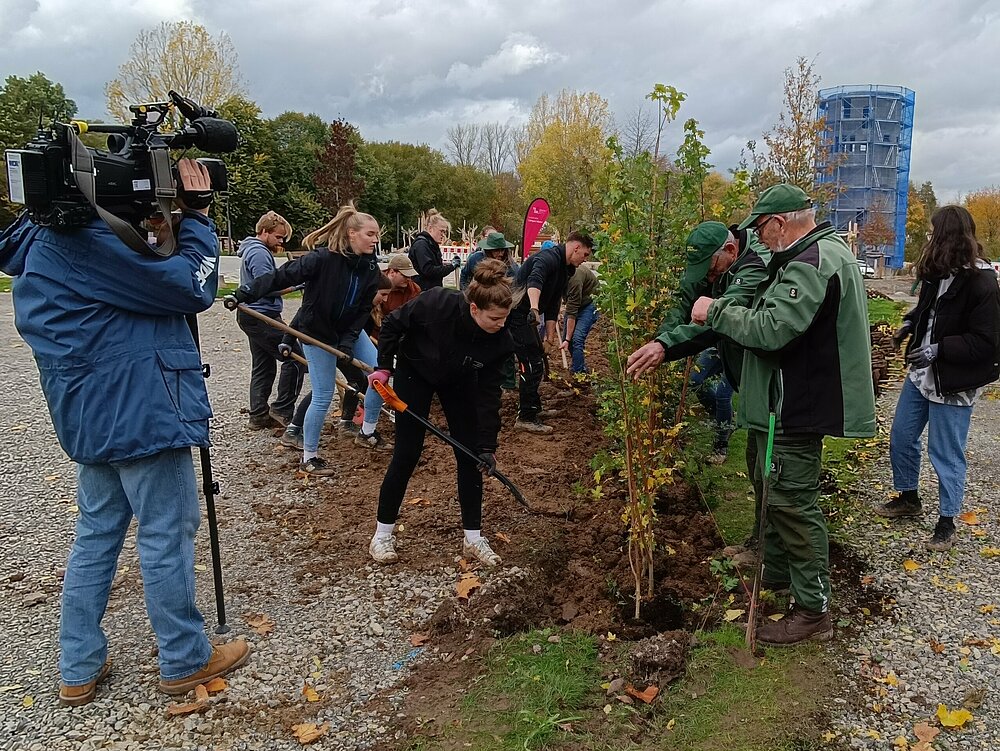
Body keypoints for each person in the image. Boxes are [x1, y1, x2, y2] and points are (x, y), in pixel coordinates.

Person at [0, 159, 250, 706]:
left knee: (95, 534)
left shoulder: (41, 240)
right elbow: (190, 286)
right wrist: (198, 217)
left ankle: (78, 665)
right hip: (139, 411)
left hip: (90, 416)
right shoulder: (85, 244)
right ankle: (185, 658)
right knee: (165, 532)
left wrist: (153, 230)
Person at [690, 183, 876, 646]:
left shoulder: (811, 263)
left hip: (796, 407)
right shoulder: (811, 255)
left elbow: (772, 330)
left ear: (779, 223)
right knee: (770, 486)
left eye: (761, 229)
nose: (758, 239)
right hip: (781, 403)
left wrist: (715, 312)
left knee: (793, 503)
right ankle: (774, 571)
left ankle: (813, 611)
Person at [367, 259, 515, 566]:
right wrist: (384, 367)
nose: (501, 324)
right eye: (495, 318)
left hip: (458, 380)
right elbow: (393, 324)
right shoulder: (436, 303)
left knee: (471, 457)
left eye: (505, 318)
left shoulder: (500, 340)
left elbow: (489, 396)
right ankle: (382, 534)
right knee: (407, 453)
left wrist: (488, 447)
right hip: (415, 372)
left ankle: (472, 539)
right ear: (475, 308)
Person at [876, 205, 1000, 550]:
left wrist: (938, 349)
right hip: (921, 375)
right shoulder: (937, 272)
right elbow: (926, 311)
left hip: (954, 381)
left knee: (945, 452)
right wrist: (908, 324)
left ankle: (946, 522)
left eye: (932, 233)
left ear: (948, 236)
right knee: (901, 436)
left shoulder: (982, 282)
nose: (928, 238)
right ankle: (908, 497)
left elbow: (986, 342)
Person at [231, 204, 381, 476]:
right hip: (317, 333)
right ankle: (309, 457)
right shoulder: (321, 259)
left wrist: (347, 342)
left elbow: (362, 310)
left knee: (379, 375)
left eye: (376, 235)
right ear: (351, 234)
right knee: (323, 395)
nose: (375, 240)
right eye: (370, 234)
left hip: (349, 330)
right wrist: (244, 293)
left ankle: (367, 431)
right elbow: (280, 276)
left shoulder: (370, 268)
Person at [627, 222, 769, 463]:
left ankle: (724, 441)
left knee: (764, 454)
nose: (708, 276)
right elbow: (684, 299)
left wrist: (664, 347)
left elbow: (718, 321)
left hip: (753, 359)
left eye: (711, 269)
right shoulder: (713, 262)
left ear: (731, 250)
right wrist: (660, 339)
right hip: (725, 347)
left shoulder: (755, 266)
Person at [509, 231, 594, 433]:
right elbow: (535, 281)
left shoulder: (566, 270)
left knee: (536, 361)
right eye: (585, 254)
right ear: (576, 248)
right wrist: (534, 309)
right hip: (517, 315)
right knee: (531, 364)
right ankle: (526, 417)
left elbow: (554, 303)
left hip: (528, 316)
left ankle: (533, 408)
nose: (585, 260)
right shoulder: (547, 258)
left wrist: (550, 336)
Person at [236, 211, 304, 429]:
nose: (281, 242)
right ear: (264, 232)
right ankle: (282, 411)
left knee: (263, 366)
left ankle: (258, 415)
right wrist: (297, 285)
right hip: (261, 315)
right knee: (295, 358)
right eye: (279, 237)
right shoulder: (258, 253)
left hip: (252, 314)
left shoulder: (254, 250)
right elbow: (266, 285)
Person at [561, 262, 601, 375]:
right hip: (576, 302)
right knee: (566, 338)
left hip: (590, 304)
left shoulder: (574, 279)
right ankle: (580, 366)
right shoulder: (557, 276)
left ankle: (578, 373)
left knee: (576, 338)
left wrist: (568, 339)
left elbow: (572, 313)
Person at [409, 209, 460, 291]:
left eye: (445, 232)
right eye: (441, 231)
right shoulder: (421, 245)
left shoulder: (431, 245)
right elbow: (429, 270)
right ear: (430, 228)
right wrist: (451, 267)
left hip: (430, 291)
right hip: (422, 292)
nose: (443, 235)